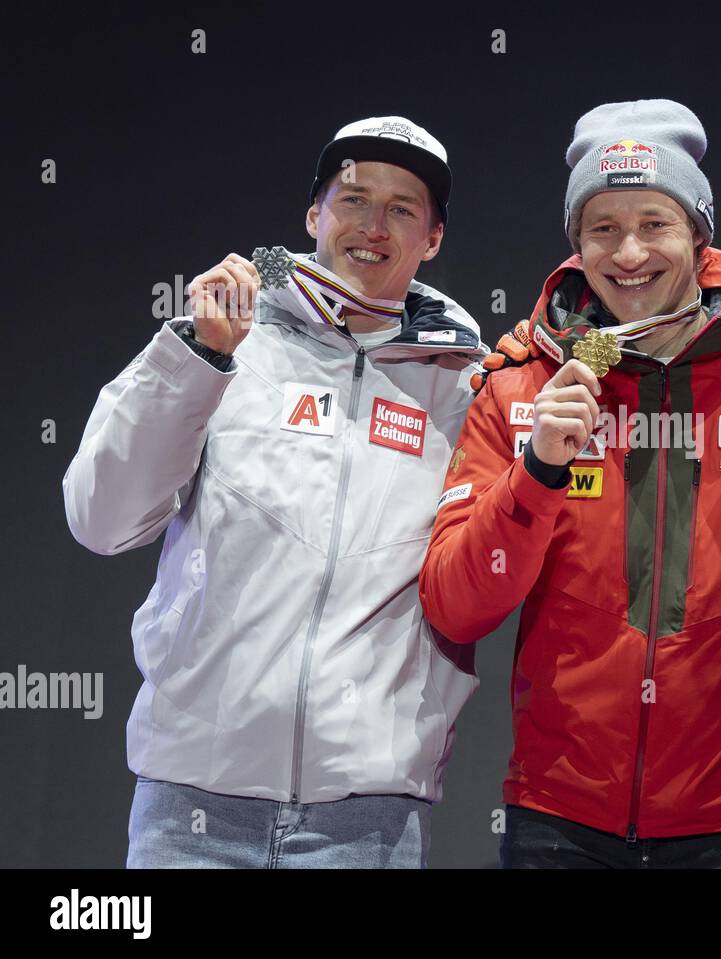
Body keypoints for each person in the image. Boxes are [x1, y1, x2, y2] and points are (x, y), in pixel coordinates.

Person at [420, 99, 721, 868]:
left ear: (699, 235)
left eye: (655, 223)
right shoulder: (520, 390)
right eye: (603, 228)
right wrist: (539, 470)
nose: (629, 253)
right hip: (558, 819)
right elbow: (456, 603)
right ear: (576, 246)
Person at [63, 116, 488, 868]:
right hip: (190, 806)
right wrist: (197, 356)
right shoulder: (227, 337)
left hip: (368, 820)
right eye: (353, 199)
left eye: (402, 209)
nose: (372, 226)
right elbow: (102, 517)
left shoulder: (465, 385)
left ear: (433, 239)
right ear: (312, 214)